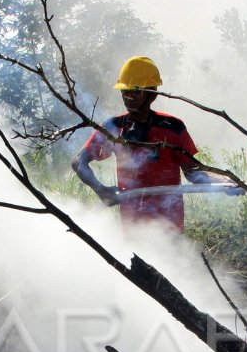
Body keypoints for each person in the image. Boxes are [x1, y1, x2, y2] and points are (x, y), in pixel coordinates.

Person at [72, 56, 225, 233]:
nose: (128, 97)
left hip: (170, 226)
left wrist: (224, 183)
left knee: (172, 260)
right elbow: (78, 162)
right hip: (132, 227)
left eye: (136, 92)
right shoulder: (113, 128)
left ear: (152, 93)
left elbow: (194, 174)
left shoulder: (173, 128)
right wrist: (101, 190)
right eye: (125, 91)